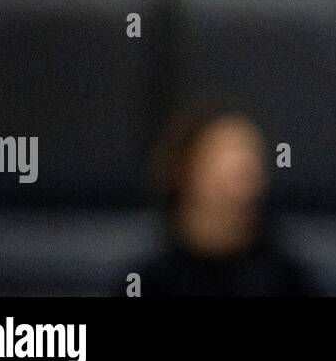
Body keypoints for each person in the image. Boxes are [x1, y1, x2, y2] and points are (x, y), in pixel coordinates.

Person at [118, 109, 316, 297]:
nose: (239, 188)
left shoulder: (287, 280)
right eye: (222, 166)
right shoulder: (148, 280)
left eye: (247, 170)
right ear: (183, 171)